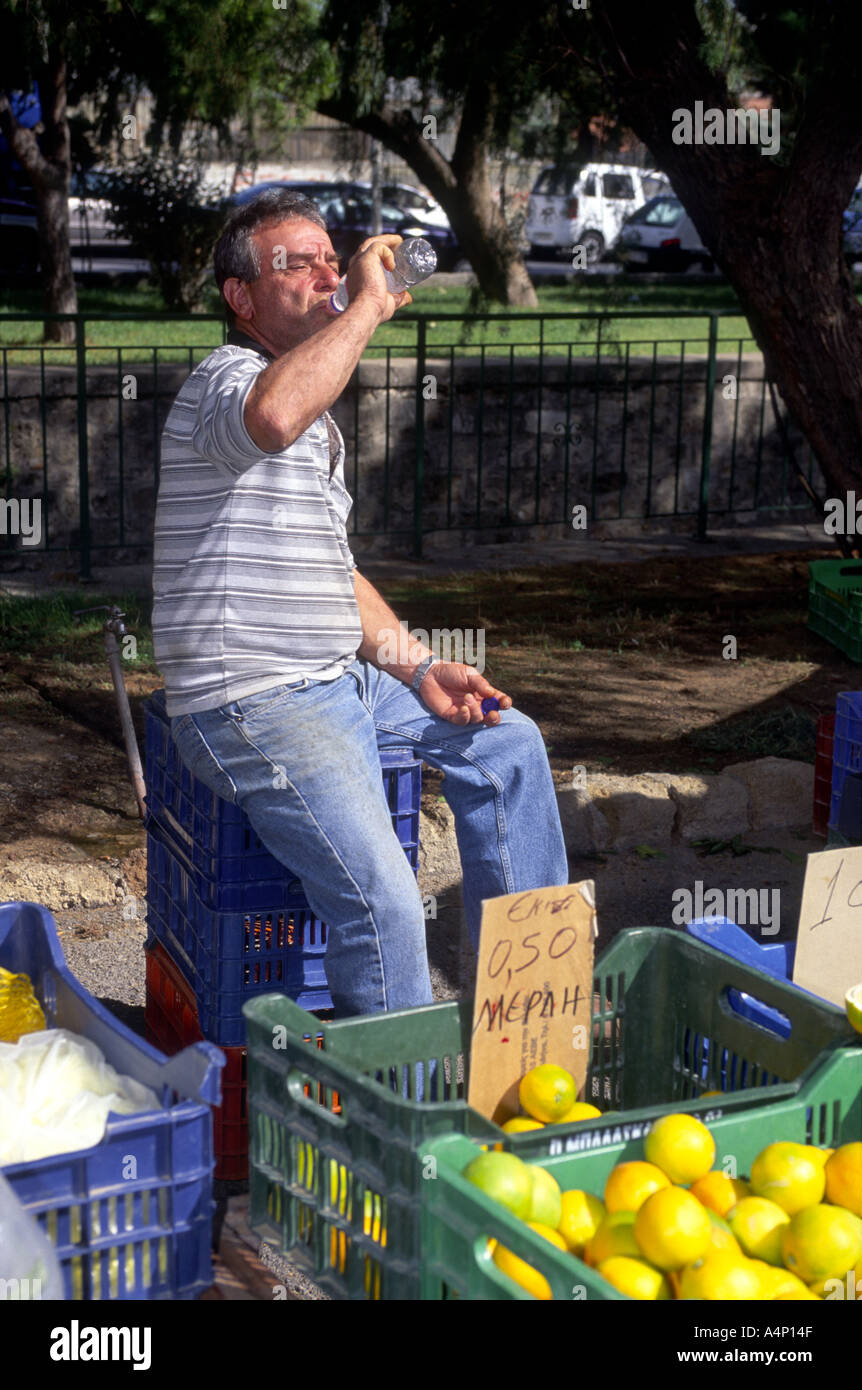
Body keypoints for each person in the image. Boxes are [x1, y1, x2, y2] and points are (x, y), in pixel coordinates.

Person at [152, 188, 568, 1018]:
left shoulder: (319, 422)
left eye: (331, 262)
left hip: (337, 681)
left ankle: (527, 1029)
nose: (325, 274)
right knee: (383, 901)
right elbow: (270, 415)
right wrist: (369, 306)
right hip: (251, 701)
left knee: (509, 746)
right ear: (241, 297)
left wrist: (419, 668)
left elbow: (335, 573)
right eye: (295, 263)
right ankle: (399, 1120)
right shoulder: (225, 381)